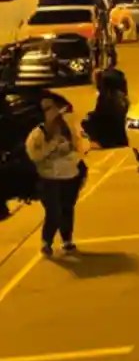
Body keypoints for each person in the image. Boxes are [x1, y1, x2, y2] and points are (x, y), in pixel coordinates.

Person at [25, 92, 90, 256]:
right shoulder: (37, 134)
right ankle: (46, 242)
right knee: (54, 211)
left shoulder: (67, 128)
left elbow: (79, 147)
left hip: (70, 175)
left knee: (68, 208)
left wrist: (74, 157)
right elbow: (35, 156)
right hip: (49, 178)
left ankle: (67, 240)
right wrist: (52, 145)